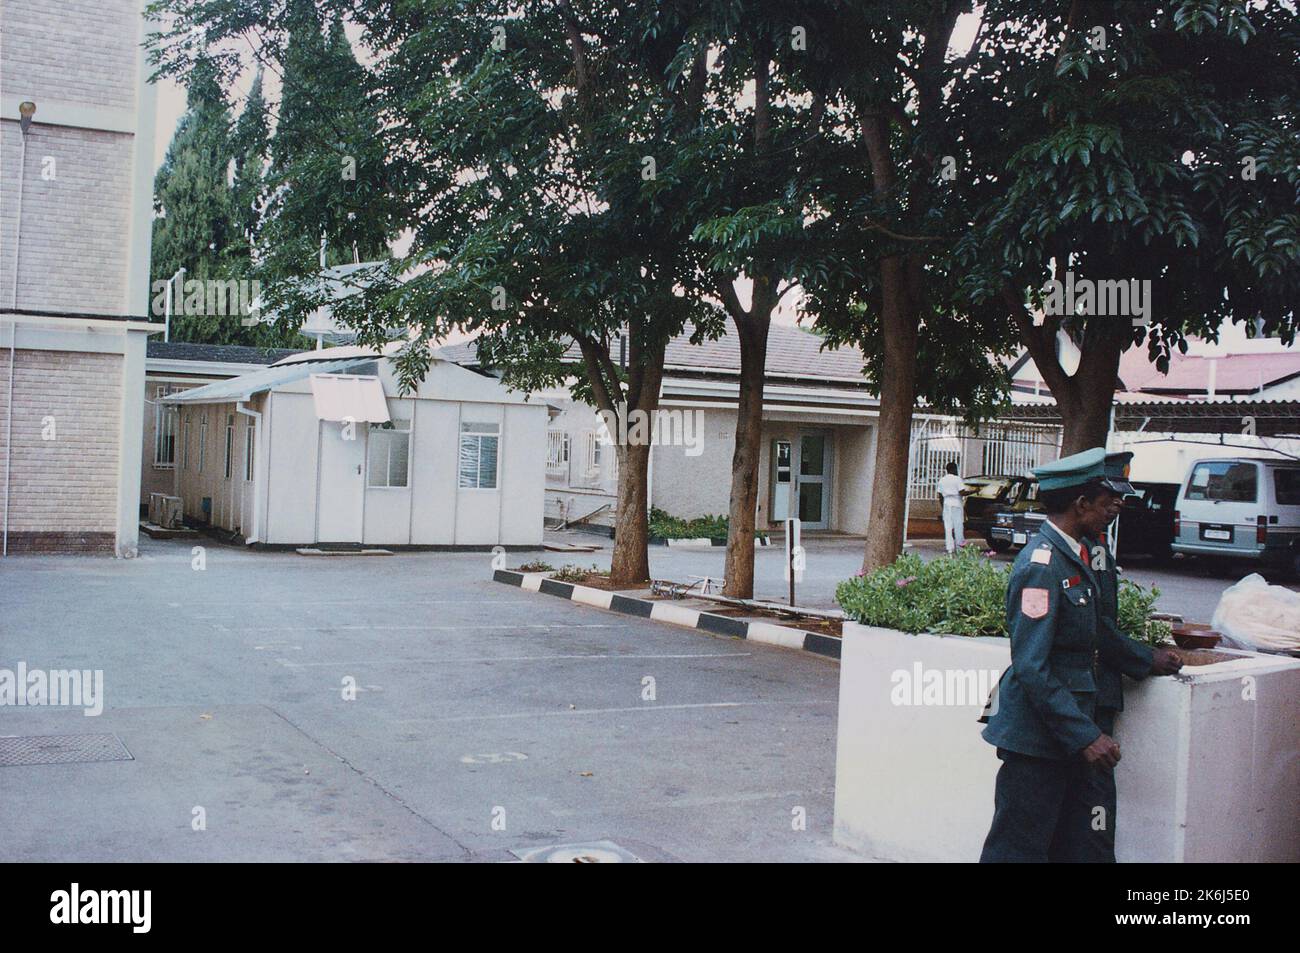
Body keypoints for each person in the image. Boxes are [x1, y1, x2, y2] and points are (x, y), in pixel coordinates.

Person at [979, 447, 1182, 863]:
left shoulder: (1076, 554)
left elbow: (1094, 635)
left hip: (1070, 728)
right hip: (1037, 738)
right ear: (1081, 503)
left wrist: (1145, 659)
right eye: (1107, 500)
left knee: (1081, 844)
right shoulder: (1042, 564)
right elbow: (1032, 667)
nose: (1117, 507)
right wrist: (1085, 735)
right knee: (1018, 849)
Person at [937, 461, 967, 553]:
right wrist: (975, 491)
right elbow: (962, 493)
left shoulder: (942, 480)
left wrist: (943, 507)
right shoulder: (957, 479)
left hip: (946, 503)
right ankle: (960, 547)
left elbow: (940, 496)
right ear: (953, 469)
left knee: (948, 526)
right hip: (956, 503)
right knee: (958, 525)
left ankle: (949, 547)